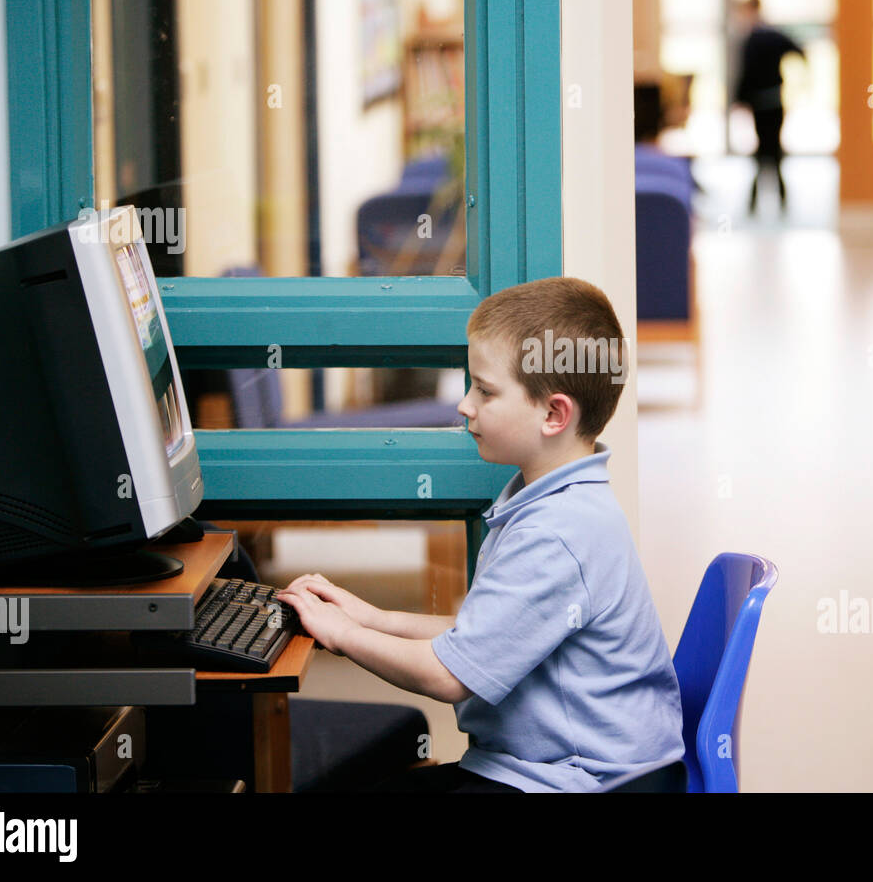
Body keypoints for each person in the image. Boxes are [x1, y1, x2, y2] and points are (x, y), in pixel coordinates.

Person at [279, 277, 686, 792]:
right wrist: (373, 617)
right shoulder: (550, 500)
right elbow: (483, 633)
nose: (465, 405)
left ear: (554, 414)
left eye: (485, 391)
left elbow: (448, 675)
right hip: (558, 771)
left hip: (584, 782)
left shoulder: (559, 533)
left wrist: (340, 634)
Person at [734, 0, 805, 214]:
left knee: (766, 150)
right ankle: (775, 199)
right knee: (771, 149)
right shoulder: (772, 35)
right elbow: (799, 50)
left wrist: (740, 99)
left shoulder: (755, 38)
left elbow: (744, 73)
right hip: (772, 101)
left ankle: (757, 201)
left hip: (764, 102)